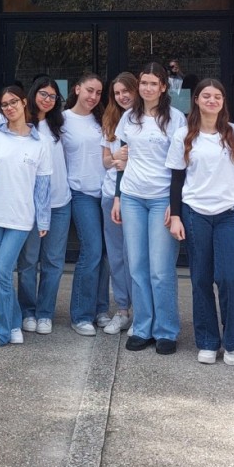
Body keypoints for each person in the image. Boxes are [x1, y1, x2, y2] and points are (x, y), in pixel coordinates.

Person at [167, 79, 234, 366]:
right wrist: (177, 215)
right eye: (206, 95)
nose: (212, 100)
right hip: (195, 214)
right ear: (196, 100)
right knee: (201, 279)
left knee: (231, 277)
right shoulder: (184, 135)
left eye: (217, 96)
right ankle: (207, 341)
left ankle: (231, 343)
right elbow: (177, 179)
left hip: (230, 213)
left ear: (223, 102)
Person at [111, 63, 186, 354]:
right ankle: (143, 327)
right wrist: (118, 196)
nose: (147, 88)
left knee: (160, 269)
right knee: (137, 266)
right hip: (131, 197)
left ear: (164, 87)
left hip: (161, 200)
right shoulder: (129, 118)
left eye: (154, 83)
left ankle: (166, 330)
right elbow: (122, 160)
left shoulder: (176, 119)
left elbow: (182, 166)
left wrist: (174, 203)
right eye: (144, 83)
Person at [0, 86, 53, 351]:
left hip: (21, 218)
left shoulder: (40, 142)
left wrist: (43, 219)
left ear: (24, 102)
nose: (8, 108)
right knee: (1, 272)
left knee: (4, 270)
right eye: (4, 104)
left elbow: (43, 186)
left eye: (13, 102)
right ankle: (13, 323)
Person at [17, 77, 70, 336]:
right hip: (31, 204)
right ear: (32, 94)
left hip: (60, 202)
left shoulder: (59, 124)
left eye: (52, 96)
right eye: (43, 94)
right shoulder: (22, 125)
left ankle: (45, 312)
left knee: (53, 261)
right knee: (28, 261)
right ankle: (27, 310)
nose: (47, 100)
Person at [62, 73, 110, 336]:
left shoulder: (102, 120)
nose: (93, 97)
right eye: (89, 90)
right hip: (80, 193)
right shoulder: (62, 120)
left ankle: (100, 309)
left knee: (105, 254)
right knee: (91, 250)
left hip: (106, 193)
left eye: (98, 93)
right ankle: (81, 314)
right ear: (77, 88)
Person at [99, 73, 138, 336]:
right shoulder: (111, 120)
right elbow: (104, 161)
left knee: (136, 257)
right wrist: (115, 158)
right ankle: (122, 310)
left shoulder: (147, 120)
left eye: (126, 91)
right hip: (110, 195)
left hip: (137, 195)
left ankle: (143, 314)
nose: (122, 97)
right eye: (117, 93)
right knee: (116, 256)